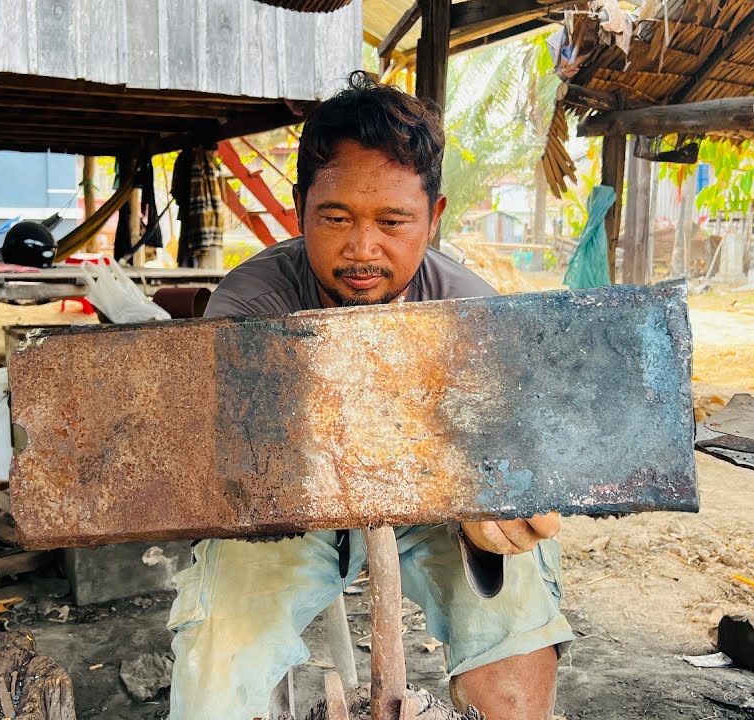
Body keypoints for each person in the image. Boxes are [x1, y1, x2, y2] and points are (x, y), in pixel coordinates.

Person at [167, 71, 573, 720]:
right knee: (215, 679)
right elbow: (234, 463)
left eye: (392, 220)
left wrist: (492, 502)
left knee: (515, 679)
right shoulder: (249, 305)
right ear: (301, 207)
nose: (363, 248)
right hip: (287, 508)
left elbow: (509, 450)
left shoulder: (472, 311)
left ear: (433, 217)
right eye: (335, 217)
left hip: (436, 505)